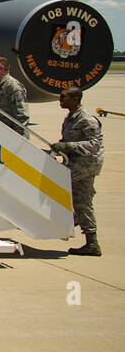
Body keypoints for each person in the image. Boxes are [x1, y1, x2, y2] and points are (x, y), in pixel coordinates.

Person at [50, 87, 104, 256]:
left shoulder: (86, 119)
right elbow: (68, 140)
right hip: (76, 163)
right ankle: (90, 241)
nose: (60, 100)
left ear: (75, 99)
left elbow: (94, 144)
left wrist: (68, 146)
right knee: (80, 201)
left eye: (63, 98)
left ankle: (88, 238)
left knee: (80, 201)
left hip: (85, 165)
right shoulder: (71, 118)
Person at [0, 57, 29, 137]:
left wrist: (19, 138)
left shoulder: (13, 87)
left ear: (1, 69)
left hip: (10, 135)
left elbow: (22, 116)